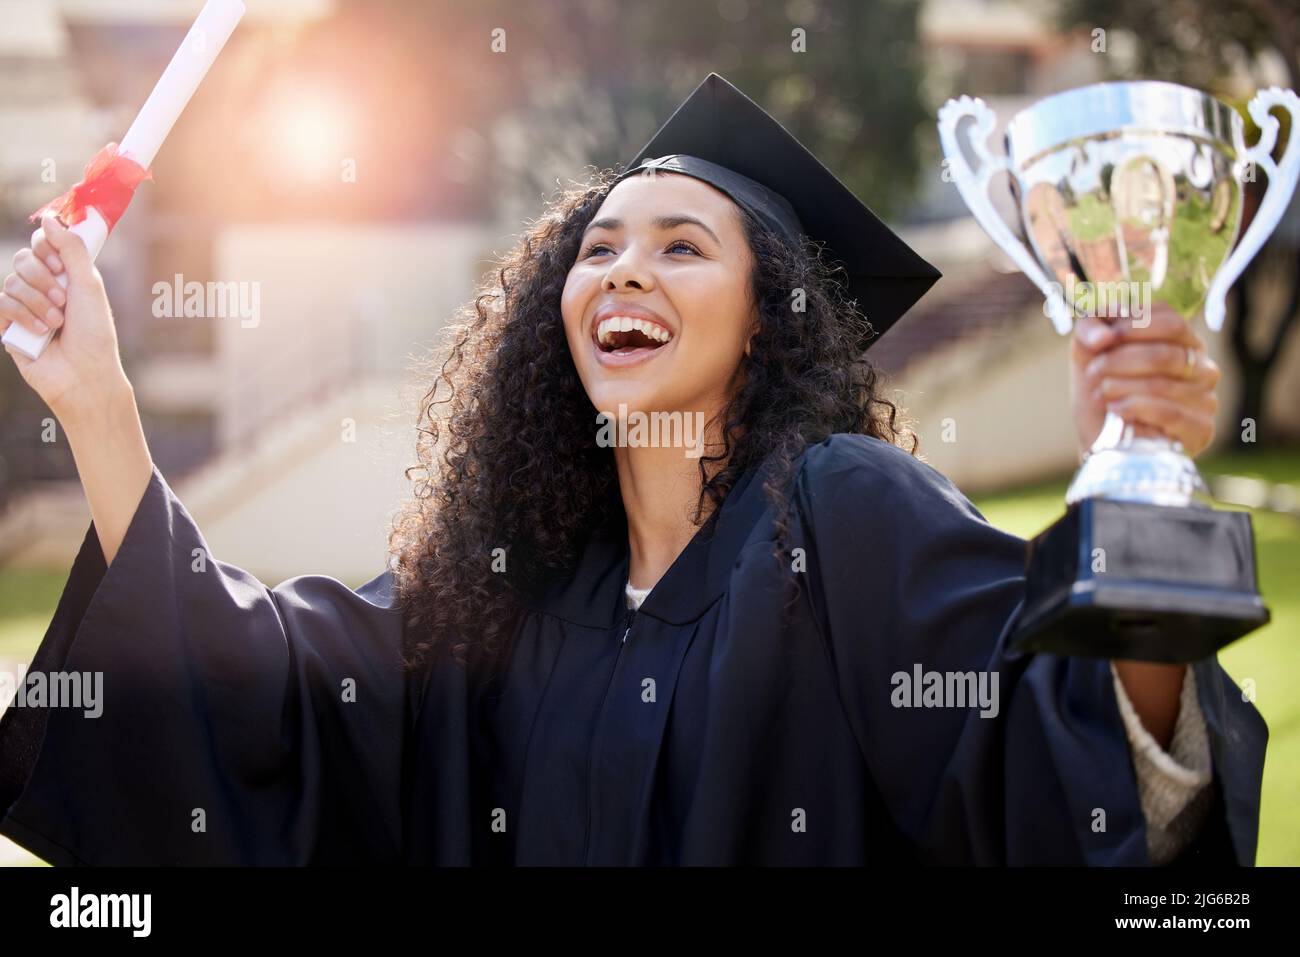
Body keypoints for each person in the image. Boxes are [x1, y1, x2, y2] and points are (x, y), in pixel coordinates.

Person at [0, 74, 1265, 866]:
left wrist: (1135, 485)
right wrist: (98, 400)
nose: (621, 272)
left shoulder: (843, 515)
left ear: (767, 319)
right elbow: (264, 689)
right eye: (597, 248)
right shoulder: (504, 591)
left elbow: (1063, 770)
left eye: (680, 247)